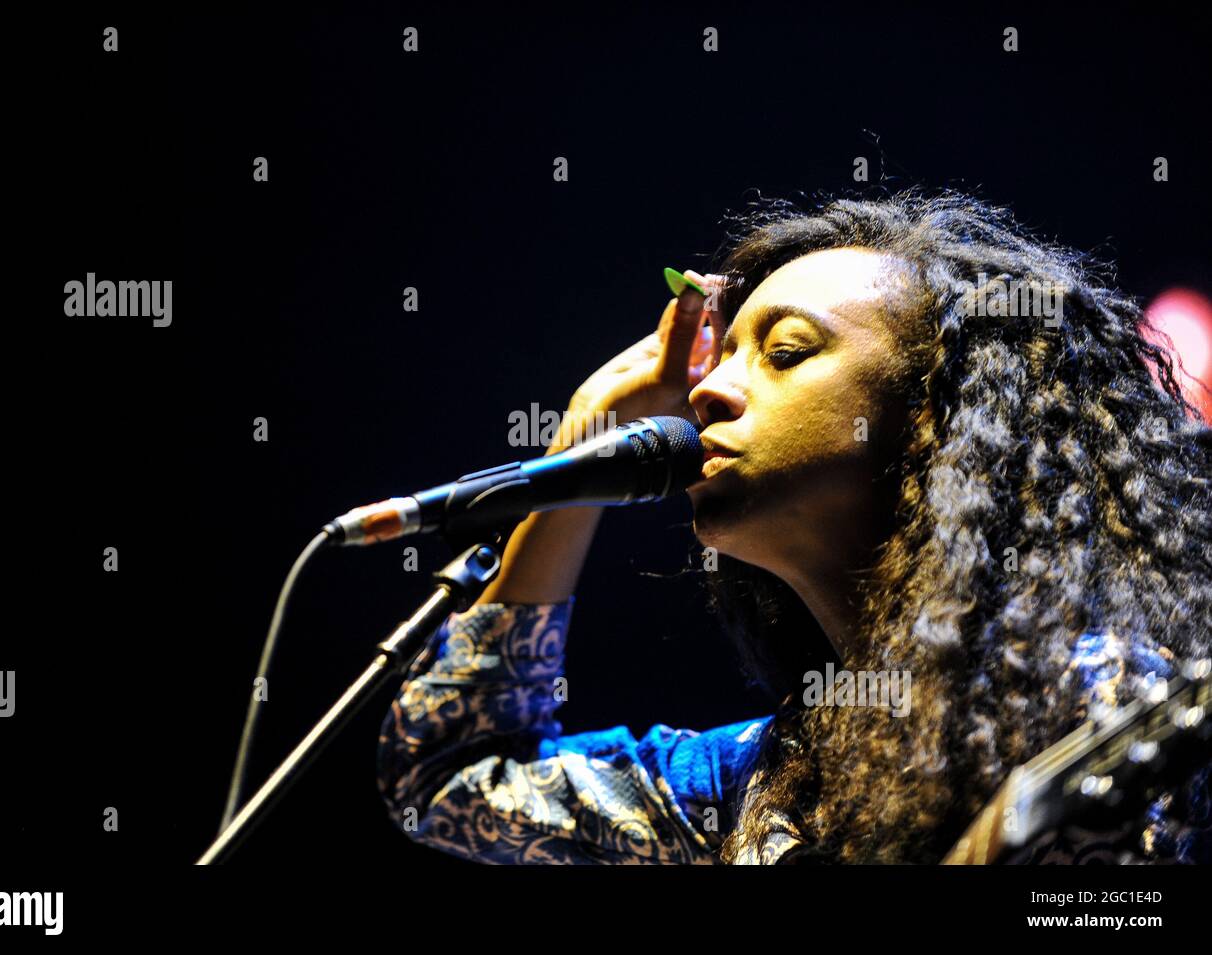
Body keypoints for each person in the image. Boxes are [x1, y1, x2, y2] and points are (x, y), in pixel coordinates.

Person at [377, 188, 1212, 864]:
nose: (704, 392)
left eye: (782, 351)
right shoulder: (748, 787)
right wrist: (582, 439)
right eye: (721, 354)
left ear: (934, 418)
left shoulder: (1116, 702)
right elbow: (449, 775)